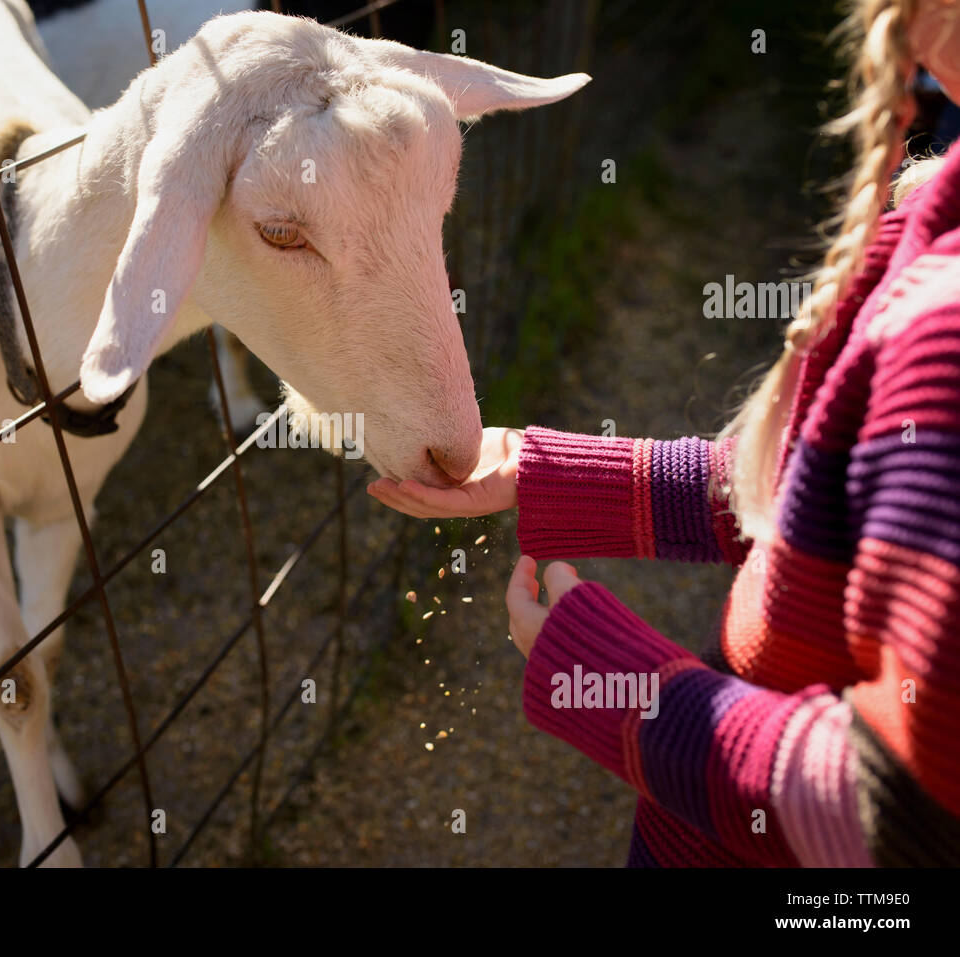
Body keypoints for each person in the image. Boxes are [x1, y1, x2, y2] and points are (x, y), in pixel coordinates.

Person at [368, 0, 960, 866]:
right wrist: (553, 474)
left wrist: (612, 678)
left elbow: (898, 821)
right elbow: (825, 495)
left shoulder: (942, 329)